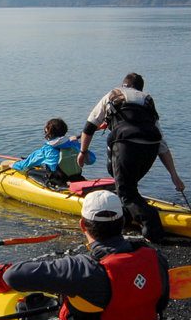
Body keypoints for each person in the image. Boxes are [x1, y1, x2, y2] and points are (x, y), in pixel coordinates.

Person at [0, 190, 171, 320]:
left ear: (82, 225)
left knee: (26, 307)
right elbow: (160, 301)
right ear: (123, 222)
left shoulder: (82, 268)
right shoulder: (154, 257)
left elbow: (13, 277)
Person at [77, 73, 185, 242]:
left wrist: (83, 152)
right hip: (150, 148)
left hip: (126, 146)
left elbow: (89, 126)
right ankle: (125, 215)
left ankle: (151, 225)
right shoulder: (147, 100)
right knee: (128, 186)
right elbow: (161, 143)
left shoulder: (113, 95)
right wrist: (174, 175)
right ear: (140, 88)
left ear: (124, 84)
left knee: (126, 191)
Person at [10, 118, 95, 186]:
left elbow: (26, 164)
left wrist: (13, 165)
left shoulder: (46, 149)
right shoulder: (77, 145)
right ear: (65, 131)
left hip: (58, 182)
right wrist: (75, 143)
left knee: (29, 171)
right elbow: (91, 160)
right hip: (76, 178)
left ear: (49, 134)